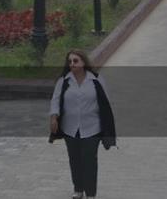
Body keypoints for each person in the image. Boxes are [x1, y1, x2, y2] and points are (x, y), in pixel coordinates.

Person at [49, 49, 117, 199]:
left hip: (92, 128)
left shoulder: (96, 80)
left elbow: (106, 102)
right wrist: (54, 117)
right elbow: (55, 99)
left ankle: (91, 194)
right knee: (75, 159)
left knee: (90, 161)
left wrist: (108, 123)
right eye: (70, 61)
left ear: (84, 62)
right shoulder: (64, 81)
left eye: (75, 61)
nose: (72, 64)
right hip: (70, 128)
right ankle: (78, 189)